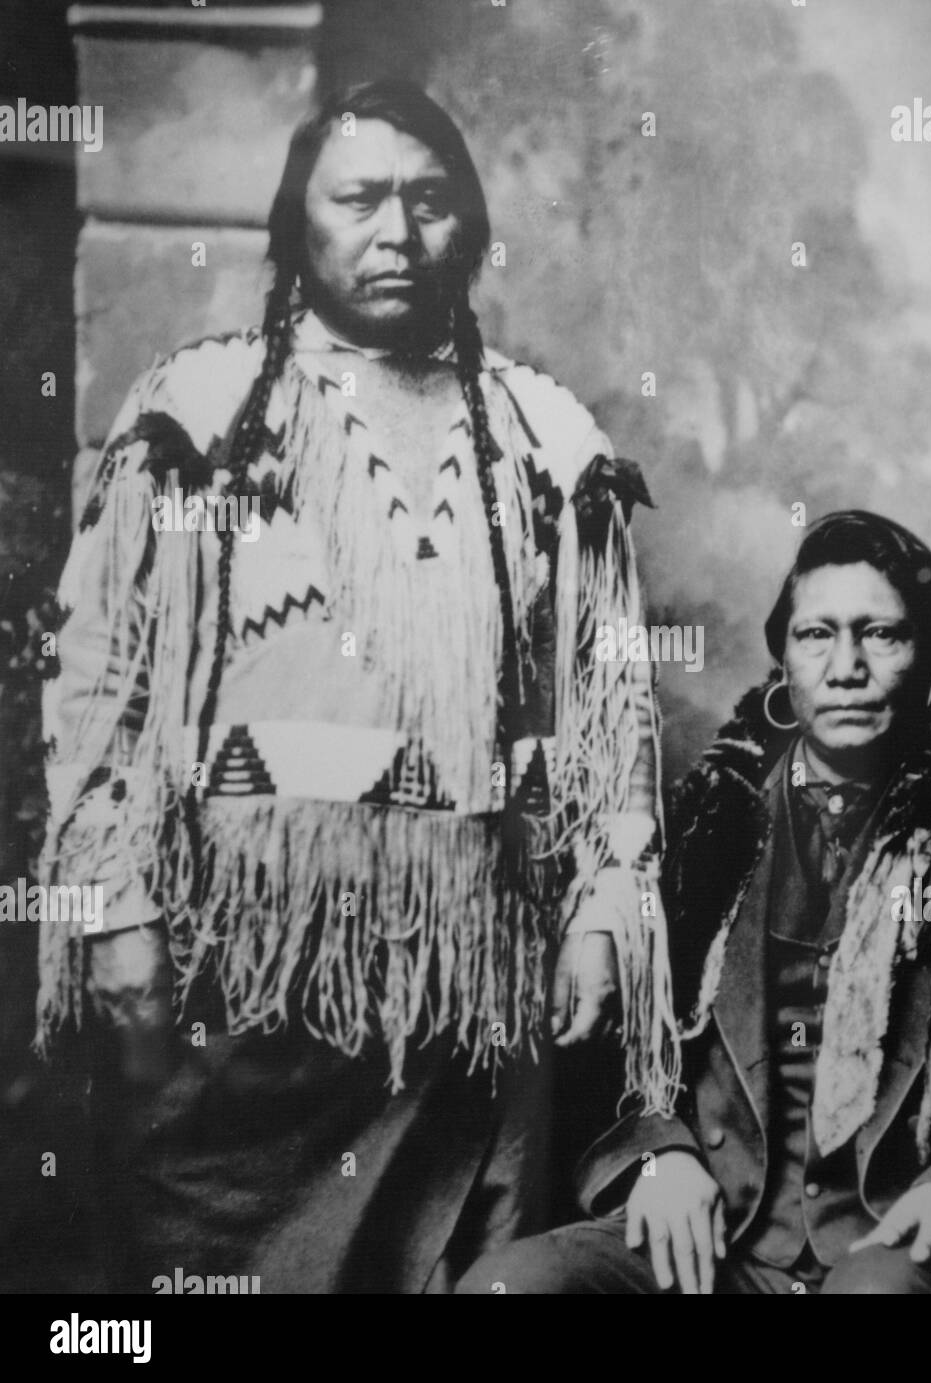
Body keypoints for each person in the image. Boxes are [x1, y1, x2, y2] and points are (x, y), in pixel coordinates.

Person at [36, 79, 675, 1293]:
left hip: (470, 980)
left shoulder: (547, 439)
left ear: (470, 228)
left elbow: (613, 707)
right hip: (237, 975)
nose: (396, 231)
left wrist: (606, 909)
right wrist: (111, 912)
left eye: (429, 201)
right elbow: (100, 689)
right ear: (299, 225)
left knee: (452, 1271)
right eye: (360, 198)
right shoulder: (201, 412)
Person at [458, 509, 931, 1294]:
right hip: (713, 1238)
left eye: (881, 635)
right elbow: (616, 1032)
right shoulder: (716, 811)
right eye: (817, 634)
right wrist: (656, 1153)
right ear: (784, 656)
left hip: (894, 1240)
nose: (845, 664)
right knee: (509, 1286)